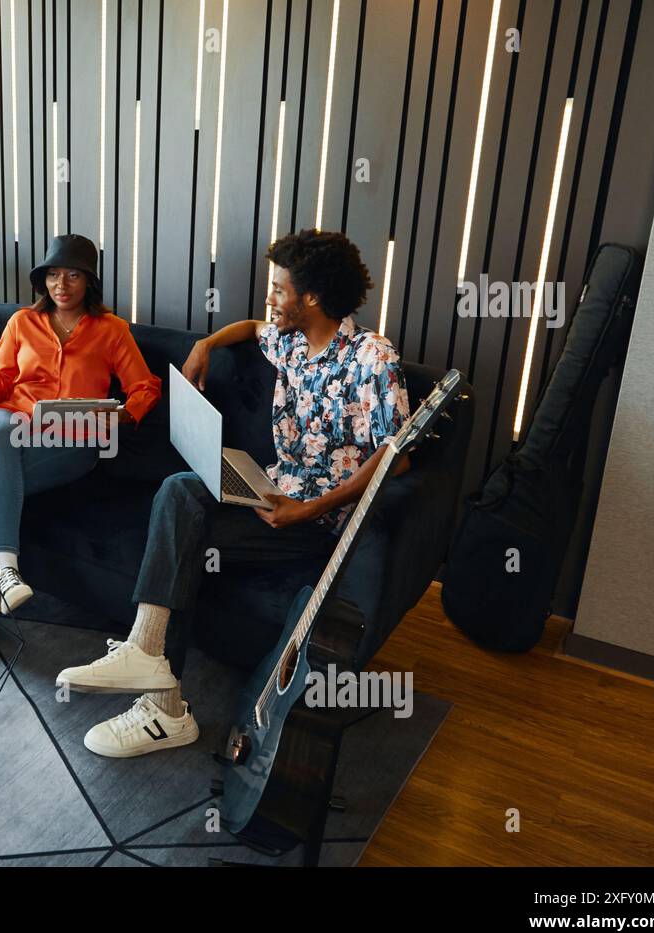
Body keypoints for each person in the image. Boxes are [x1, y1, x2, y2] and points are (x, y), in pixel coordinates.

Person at [55, 230, 411, 757]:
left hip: (318, 522)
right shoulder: (289, 341)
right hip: (272, 493)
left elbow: (397, 456)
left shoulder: (370, 357)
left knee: (187, 537)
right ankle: (148, 660)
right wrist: (205, 345)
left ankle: (162, 707)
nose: (270, 297)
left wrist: (310, 507)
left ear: (310, 298)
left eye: (278, 288)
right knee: (180, 493)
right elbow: (251, 327)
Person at [0, 234, 162, 664]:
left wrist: (125, 414)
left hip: (75, 439)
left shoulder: (111, 331)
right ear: (43, 280)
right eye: (54, 274)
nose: (62, 284)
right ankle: (6, 570)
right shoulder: (22, 322)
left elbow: (145, 385)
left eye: (74, 275)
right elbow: (2, 384)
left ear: (89, 283)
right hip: (13, 420)